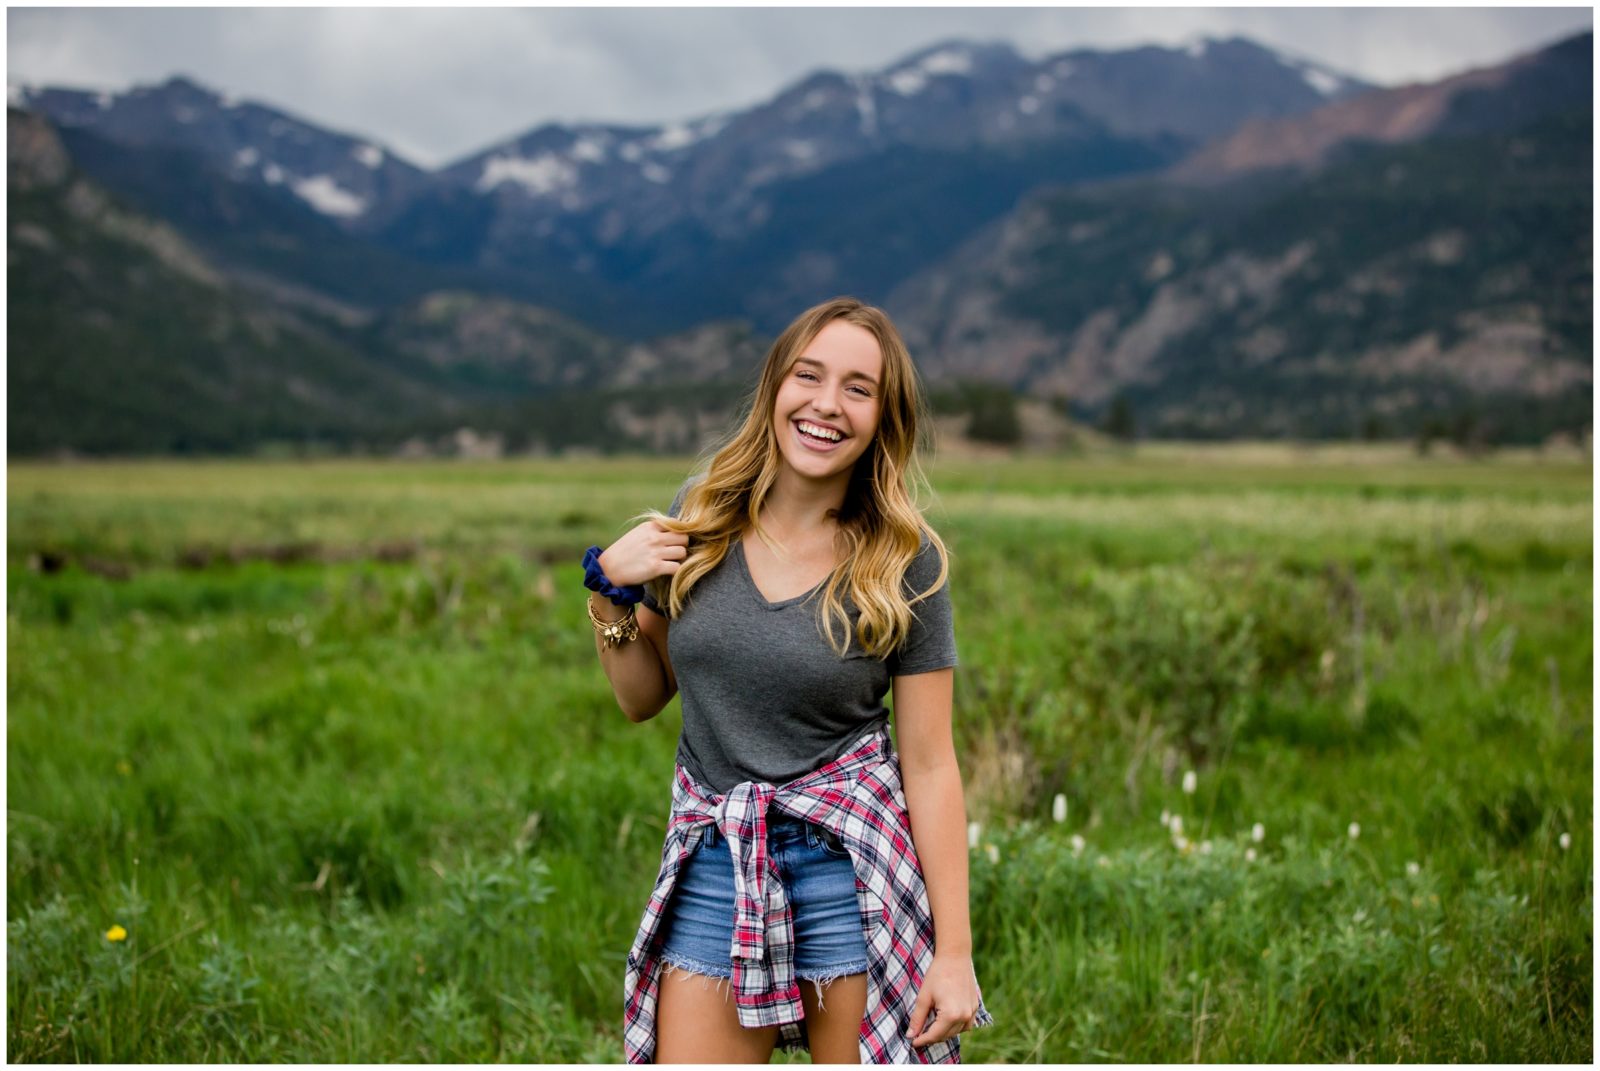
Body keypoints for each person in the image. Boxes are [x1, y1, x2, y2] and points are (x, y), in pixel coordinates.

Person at [585, 296, 993, 1063]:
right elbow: (642, 697)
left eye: (857, 387)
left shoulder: (905, 560)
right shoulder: (701, 513)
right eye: (809, 375)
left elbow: (932, 763)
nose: (826, 404)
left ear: (882, 417)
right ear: (776, 386)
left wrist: (955, 952)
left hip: (852, 869)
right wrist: (607, 590)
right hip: (717, 859)